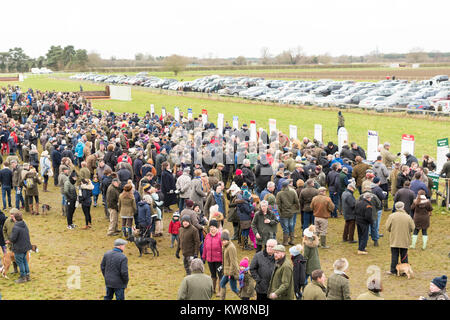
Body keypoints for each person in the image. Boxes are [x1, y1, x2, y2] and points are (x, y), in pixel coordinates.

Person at [385, 201, 415, 276]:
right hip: (405, 239)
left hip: (394, 239)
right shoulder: (408, 217)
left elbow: (387, 227)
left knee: (394, 255)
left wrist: (391, 231)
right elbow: (413, 227)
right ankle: (404, 271)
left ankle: (393, 271)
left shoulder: (391, 216)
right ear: (403, 207)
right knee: (404, 255)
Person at [202, 219, 223, 297]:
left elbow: (223, 249)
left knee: (220, 275)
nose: (212, 229)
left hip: (219, 260)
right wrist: (203, 257)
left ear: (217, 228)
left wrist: (224, 260)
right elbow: (204, 247)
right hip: (210, 260)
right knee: (213, 275)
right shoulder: (207, 236)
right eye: (211, 227)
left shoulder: (220, 236)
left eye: (214, 227)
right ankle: (213, 289)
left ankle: (220, 291)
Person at [276, 180, 300, 246]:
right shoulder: (292, 192)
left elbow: (278, 205)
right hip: (291, 212)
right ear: (288, 185)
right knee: (291, 225)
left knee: (285, 228)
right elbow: (297, 202)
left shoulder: (279, 194)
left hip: (283, 213)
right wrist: (296, 209)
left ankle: (285, 242)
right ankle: (292, 240)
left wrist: (279, 213)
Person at [219, 229, 240, 300]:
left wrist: (231, 274)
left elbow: (233, 262)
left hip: (231, 272)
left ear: (228, 239)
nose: (223, 242)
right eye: (222, 240)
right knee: (222, 284)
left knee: (234, 289)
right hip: (227, 272)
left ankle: (244, 297)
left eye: (225, 240)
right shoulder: (225, 247)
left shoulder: (231, 247)